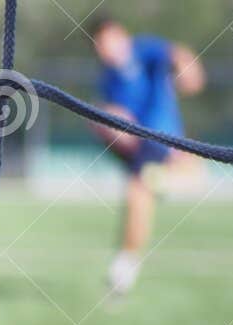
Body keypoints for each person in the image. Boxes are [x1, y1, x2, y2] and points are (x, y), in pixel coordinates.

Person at [87, 16, 205, 296]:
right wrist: (112, 119)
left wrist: (190, 73)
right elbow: (111, 114)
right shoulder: (108, 78)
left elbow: (179, 56)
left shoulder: (144, 49)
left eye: (108, 41)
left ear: (121, 36)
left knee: (137, 192)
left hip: (158, 137)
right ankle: (164, 179)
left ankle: (125, 267)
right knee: (137, 195)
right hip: (136, 145)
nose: (106, 50)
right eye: (99, 46)